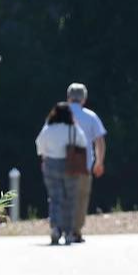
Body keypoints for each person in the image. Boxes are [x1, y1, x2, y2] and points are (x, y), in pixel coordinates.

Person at [35, 102, 88, 246]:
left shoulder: (48, 129)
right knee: (70, 198)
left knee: (55, 198)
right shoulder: (73, 128)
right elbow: (83, 143)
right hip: (70, 164)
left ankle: (55, 228)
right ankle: (69, 231)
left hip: (51, 165)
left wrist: (45, 155)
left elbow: (39, 145)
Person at [66, 83, 107, 243]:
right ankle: (76, 230)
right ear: (84, 99)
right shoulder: (91, 116)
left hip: (62, 162)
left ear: (68, 98)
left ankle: (63, 227)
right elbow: (100, 142)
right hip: (84, 163)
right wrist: (99, 162)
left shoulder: (59, 114)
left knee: (64, 196)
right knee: (81, 198)